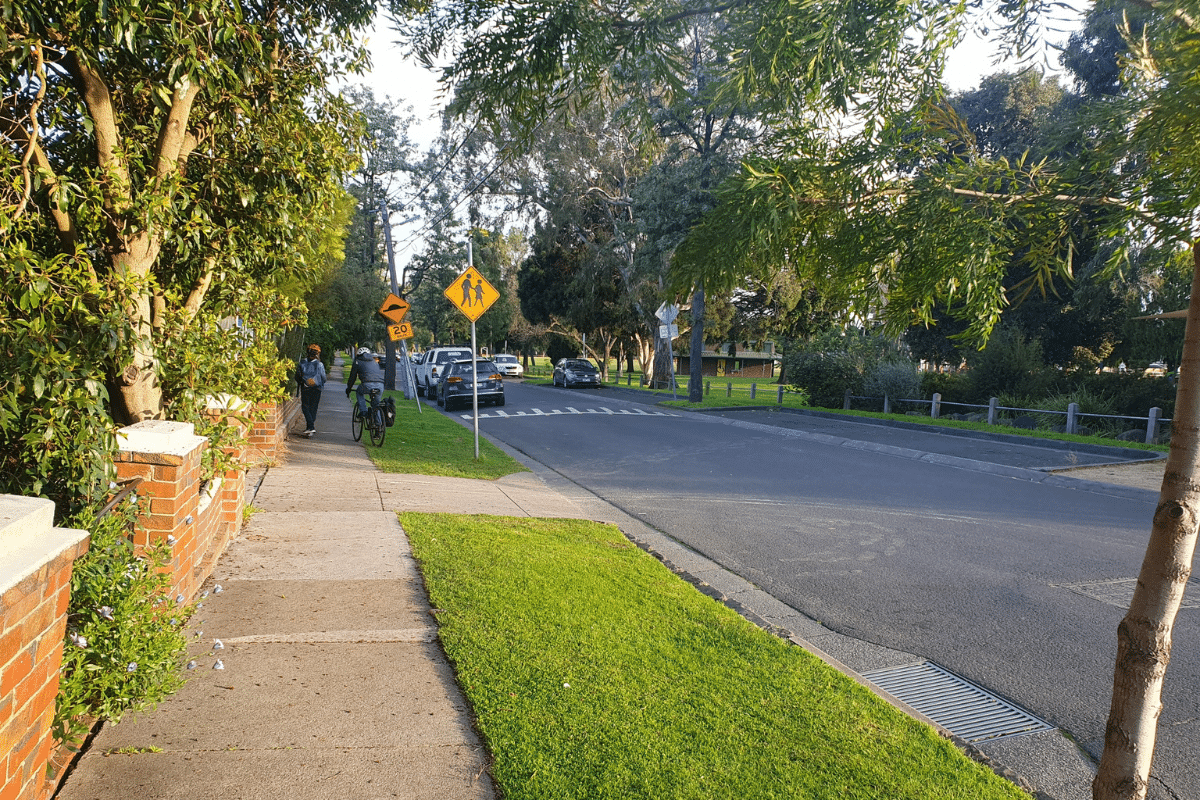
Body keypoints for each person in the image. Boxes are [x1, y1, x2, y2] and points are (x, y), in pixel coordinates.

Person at [345, 346, 385, 420]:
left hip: (367, 384)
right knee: (376, 405)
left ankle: (363, 411)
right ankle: (378, 426)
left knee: (359, 392)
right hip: (380, 385)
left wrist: (349, 388)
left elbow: (352, 377)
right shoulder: (374, 361)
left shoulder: (357, 361)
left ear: (358, 355)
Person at [294, 345, 326, 437]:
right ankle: (310, 427)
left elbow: (298, 376)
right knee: (313, 407)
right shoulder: (320, 364)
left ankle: (310, 427)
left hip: (305, 387)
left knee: (305, 407)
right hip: (317, 388)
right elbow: (323, 377)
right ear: (318, 354)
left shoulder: (302, 363)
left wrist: (301, 382)